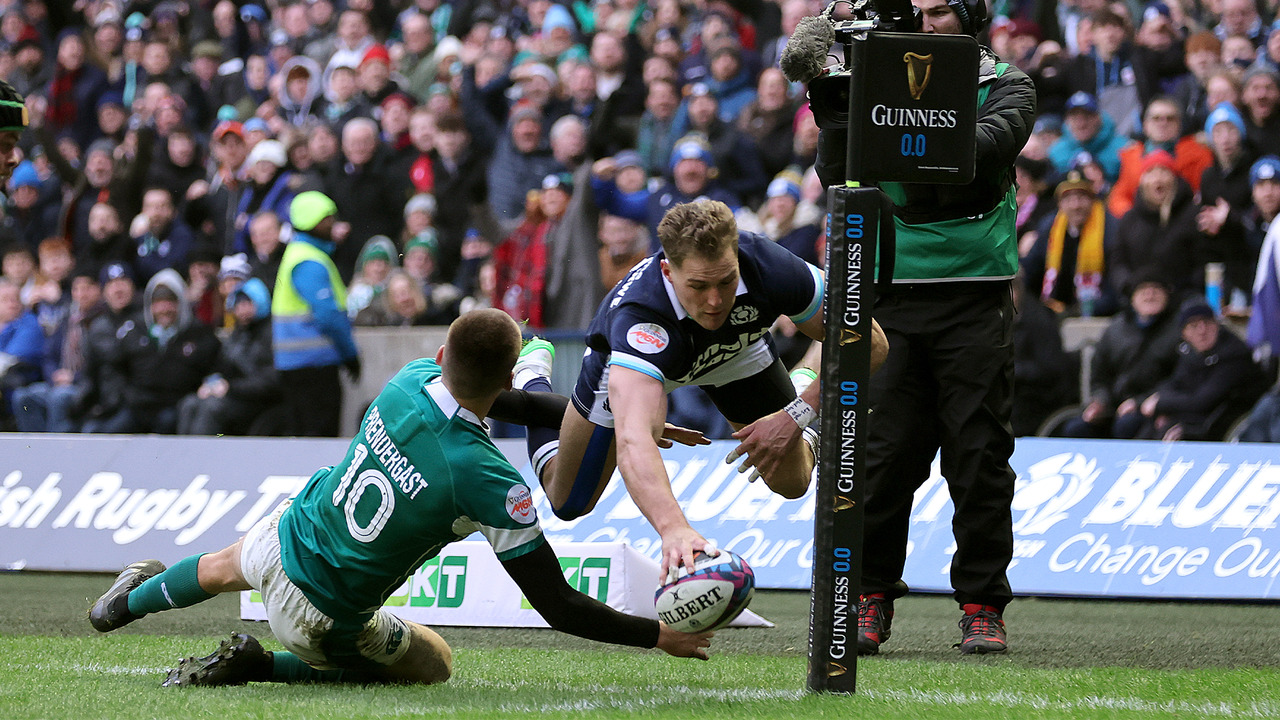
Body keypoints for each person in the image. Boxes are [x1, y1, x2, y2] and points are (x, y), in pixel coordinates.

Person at [87, 309, 712, 688]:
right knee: (435, 663)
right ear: (505, 375)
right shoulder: (491, 482)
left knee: (224, 565)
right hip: (320, 617)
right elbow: (558, 604)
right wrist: (656, 636)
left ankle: (122, 605)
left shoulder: (409, 379)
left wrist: (621, 420)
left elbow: (506, 400)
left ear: (441, 356)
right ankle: (261, 665)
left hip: (283, 534)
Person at [499, 199, 886, 580]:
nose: (715, 301)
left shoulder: (769, 264)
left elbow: (870, 343)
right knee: (569, 501)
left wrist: (796, 414)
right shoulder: (639, 318)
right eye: (699, 286)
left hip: (736, 352)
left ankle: (801, 387)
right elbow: (635, 443)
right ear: (668, 271)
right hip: (644, 366)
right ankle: (532, 376)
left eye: (726, 281)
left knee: (792, 482)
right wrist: (674, 530)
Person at [815, 0, 1035, 655]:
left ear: (971, 17)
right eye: (918, 10)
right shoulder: (872, 77)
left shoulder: (1008, 85)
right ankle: (869, 597)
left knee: (979, 459)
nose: (927, 23)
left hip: (976, 292)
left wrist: (884, 112)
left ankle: (982, 605)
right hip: (890, 293)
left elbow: (975, 158)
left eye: (942, 11)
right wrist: (836, 106)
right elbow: (836, 174)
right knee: (882, 458)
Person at [272, 191, 361, 437]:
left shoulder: (300, 254)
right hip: (314, 366)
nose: (332, 224)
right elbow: (328, 315)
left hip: (299, 365)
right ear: (312, 222)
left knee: (304, 436)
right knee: (319, 436)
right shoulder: (309, 260)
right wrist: (349, 354)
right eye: (327, 219)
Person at [1059, 273, 1183, 439]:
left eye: (1156, 289)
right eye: (1143, 290)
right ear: (1132, 298)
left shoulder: (1178, 331)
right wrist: (1100, 401)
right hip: (1113, 406)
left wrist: (1139, 402)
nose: (1150, 295)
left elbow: (1180, 379)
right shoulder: (1115, 330)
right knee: (1075, 429)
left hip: (1153, 408)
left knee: (1126, 425)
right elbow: (1099, 377)